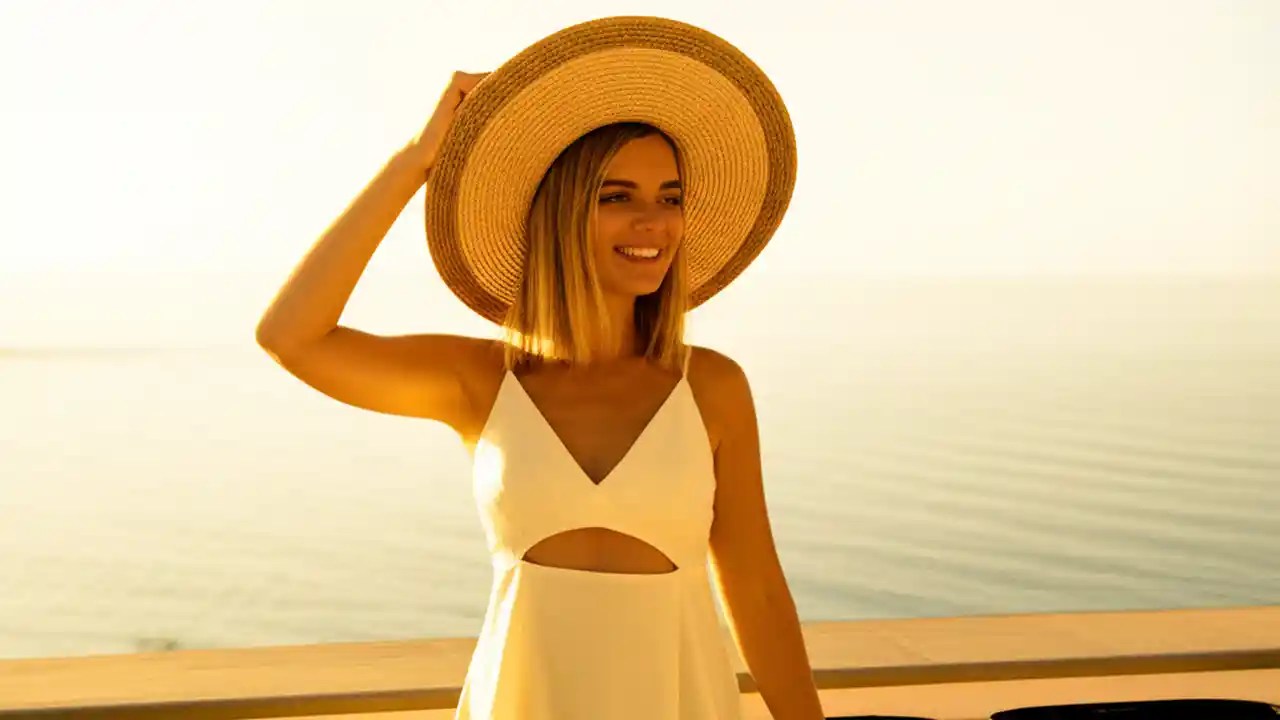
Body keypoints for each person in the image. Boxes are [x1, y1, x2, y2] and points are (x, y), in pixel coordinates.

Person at [255, 15, 823, 720]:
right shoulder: (481, 382)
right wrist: (414, 162)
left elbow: (758, 591)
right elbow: (292, 336)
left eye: (669, 198)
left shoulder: (710, 387)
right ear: (559, 213)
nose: (654, 222)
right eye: (617, 197)